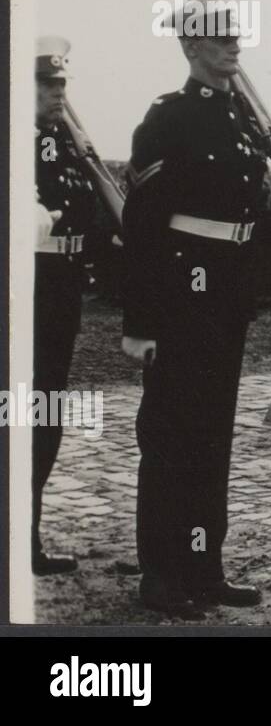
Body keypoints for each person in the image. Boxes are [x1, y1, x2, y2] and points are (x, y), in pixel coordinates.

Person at [121, 0, 271, 619]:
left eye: (238, 37)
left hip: (226, 297)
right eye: (221, 39)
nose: (234, 47)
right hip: (180, 294)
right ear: (191, 46)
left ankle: (204, 566)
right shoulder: (168, 118)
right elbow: (142, 226)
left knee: (212, 434)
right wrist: (139, 323)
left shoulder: (244, 120)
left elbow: (242, 218)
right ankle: (161, 576)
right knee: (170, 434)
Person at [32, 37, 98, 575]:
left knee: (47, 411)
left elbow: (90, 214)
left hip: (62, 288)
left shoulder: (66, 144)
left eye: (61, 84)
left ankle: (25, 536)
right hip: (26, 285)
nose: (57, 92)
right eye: (46, 84)